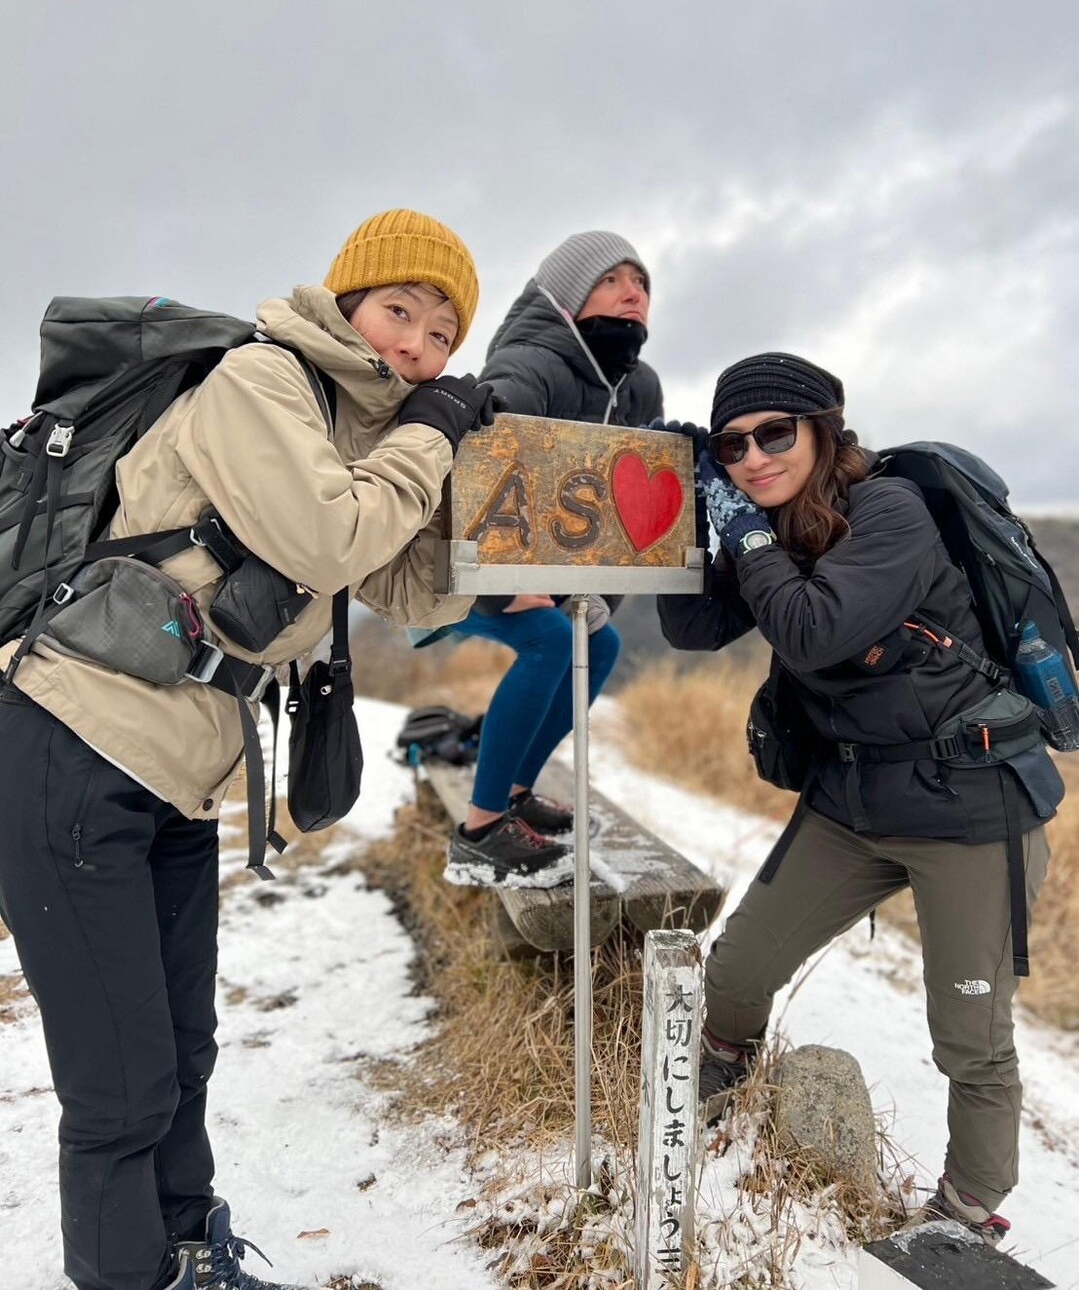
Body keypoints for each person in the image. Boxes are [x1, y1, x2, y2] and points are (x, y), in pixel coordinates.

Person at [0, 209, 494, 1290]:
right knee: (120, 1084)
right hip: (73, 746)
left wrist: (482, 507)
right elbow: (328, 539)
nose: (416, 345)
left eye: (441, 335)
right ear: (346, 299)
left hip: (175, 779)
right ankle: (126, 1273)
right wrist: (430, 433)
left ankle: (182, 1251)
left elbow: (400, 584)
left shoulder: (357, 435)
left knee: (180, 1052)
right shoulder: (261, 384)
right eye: (398, 310)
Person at [656, 352, 1060, 1246]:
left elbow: (810, 628)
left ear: (824, 427)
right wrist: (697, 516)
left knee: (968, 1033)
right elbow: (691, 627)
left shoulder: (889, 511)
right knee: (736, 973)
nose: (752, 457)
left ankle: (964, 1212)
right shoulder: (765, 517)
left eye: (773, 434)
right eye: (729, 446)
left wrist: (748, 537)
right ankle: (723, 1077)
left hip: (967, 802)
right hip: (854, 799)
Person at [443, 231, 664, 885]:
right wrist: (497, 588)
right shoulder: (529, 362)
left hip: (547, 570)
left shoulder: (638, 387)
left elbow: (630, 511)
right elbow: (473, 470)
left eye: (642, 282)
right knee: (544, 640)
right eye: (611, 279)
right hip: (454, 563)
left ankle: (512, 789)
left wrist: (595, 594)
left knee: (602, 644)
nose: (632, 292)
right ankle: (480, 831)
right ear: (569, 297)